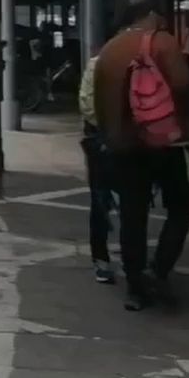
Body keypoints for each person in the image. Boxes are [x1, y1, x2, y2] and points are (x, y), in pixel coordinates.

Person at [93, 0, 189, 310]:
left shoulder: (108, 51)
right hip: (167, 144)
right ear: (149, 14)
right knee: (182, 206)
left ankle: (135, 286)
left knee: (132, 214)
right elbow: (183, 84)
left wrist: (112, 137)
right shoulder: (162, 42)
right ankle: (158, 269)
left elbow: (98, 103)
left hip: (123, 146)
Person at [78, 35, 117, 284]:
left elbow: (87, 107)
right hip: (129, 141)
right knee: (130, 199)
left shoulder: (96, 64)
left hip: (103, 139)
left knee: (100, 197)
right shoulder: (146, 60)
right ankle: (109, 256)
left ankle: (101, 258)